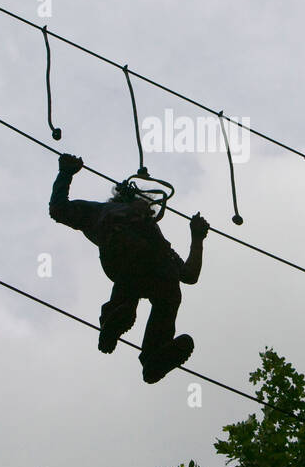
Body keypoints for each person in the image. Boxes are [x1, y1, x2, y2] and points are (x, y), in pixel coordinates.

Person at [49, 153, 209, 383]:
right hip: (126, 254)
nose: (145, 210)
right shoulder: (103, 212)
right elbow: (59, 210)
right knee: (137, 264)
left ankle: (153, 353)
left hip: (151, 269)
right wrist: (65, 173)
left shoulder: (155, 236)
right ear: (125, 198)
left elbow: (189, 275)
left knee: (168, 292)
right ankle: (117, 316)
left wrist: (197, 237)